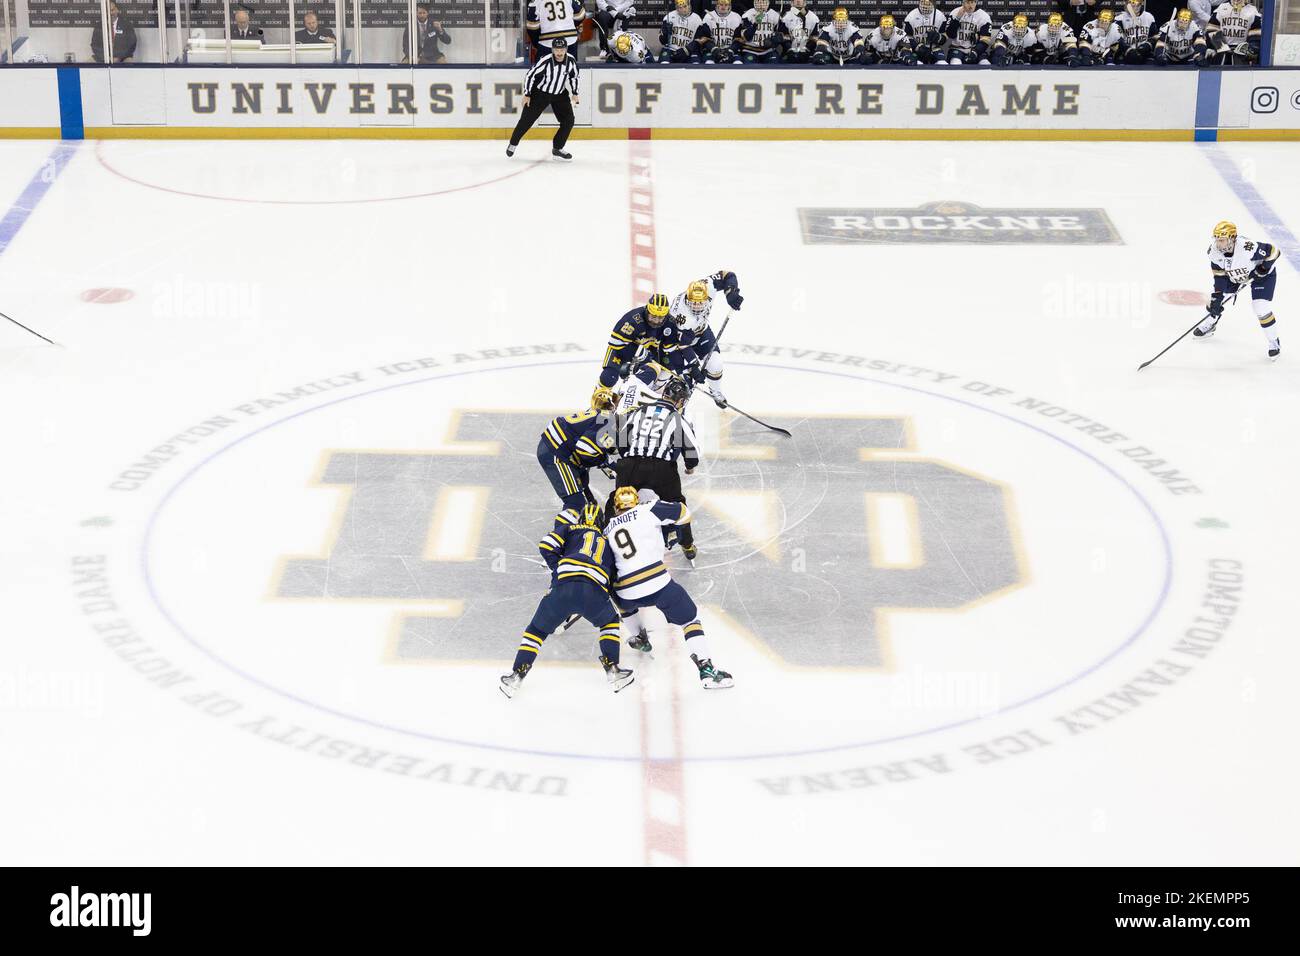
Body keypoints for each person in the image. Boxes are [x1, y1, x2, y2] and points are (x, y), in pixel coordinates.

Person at [604, 486, 734, 688]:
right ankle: (707, 670)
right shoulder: (647, 509)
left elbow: (608, 566)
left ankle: (639, 637)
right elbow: (683, 512)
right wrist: (676, 534)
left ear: (616, 507)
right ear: (636, 502)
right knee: (690, 619)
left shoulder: (608, 528)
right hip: (657, 582)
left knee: (621, 601)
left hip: (627, 590)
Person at [499, 503, 632, 698]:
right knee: (609, 623)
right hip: (594, 592)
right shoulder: (609, 541)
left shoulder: (570, 528)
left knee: (537, 631)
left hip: (564, 587)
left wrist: (557, 568)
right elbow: (617, 574)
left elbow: (546, 545)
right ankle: (612, 669)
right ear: (601, 522)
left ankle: (517, 674)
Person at [613, 377, 701, 559]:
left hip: (630, 465)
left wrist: (629, 460)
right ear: (681, 401)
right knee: (677, 504)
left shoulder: (638, 411)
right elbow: (692, 451)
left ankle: (610, 543)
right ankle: (687, 545)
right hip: (661, 469)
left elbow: (621, 441)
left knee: (617, 503)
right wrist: (690, 466)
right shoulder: (677, 418)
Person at [1194, 221, 1281, 360]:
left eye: (1222, 240)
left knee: (1260, 307)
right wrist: (1217, 295)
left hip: (1261, 276)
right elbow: (1219, 276)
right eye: (1217, 239)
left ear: (1232, 238)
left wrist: (1263, 268)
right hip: (1234, 275)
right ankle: (1209, 324)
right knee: (1214, 301)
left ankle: (1273, 342)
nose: (1218, 243)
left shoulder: (1247, 247)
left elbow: (1274, 251)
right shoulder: (1214, 252)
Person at [537, 387, 618, 512]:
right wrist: (609, 463)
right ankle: (562, 531)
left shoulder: (598, 416)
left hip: (559, 447)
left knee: (582, 477)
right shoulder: (607, 420)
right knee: (575, 503)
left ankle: (587, 506)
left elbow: (589, 452)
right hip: (557, 452)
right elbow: (585, 449)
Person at [506, 38, 580, 161]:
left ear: (566, 49)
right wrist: (527, 94)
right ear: (552, 50)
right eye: (557, 50)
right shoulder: (545, 61)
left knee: (569, 121)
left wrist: (575, 93)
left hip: (560, 94)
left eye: (562, 49)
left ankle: (558, 148)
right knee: (526, 120)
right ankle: (513, 143)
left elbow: (574, 77)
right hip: (540, 93)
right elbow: (531, 75)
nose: (559, 52)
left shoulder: (571, 61)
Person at [1206, 0, 1261, 65]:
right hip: (1221, 54)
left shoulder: (1253, 11)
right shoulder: (1221, 8)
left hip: (1241, 54)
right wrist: (1221, 47)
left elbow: (1255, 36)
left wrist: (1249, 50)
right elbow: (1212, 29)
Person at [944, 0, 993, 64]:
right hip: (957, 48)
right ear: (963, 2)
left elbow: (985, 40)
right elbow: (950, 35)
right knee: (955, 63)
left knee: (985, 63)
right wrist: (957, 18)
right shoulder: (955, 12)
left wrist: (975, 52)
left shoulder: (984, 16)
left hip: (976, 49)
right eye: (967, 2)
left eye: (972, 2)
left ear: (976, 2)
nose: (970, 5)